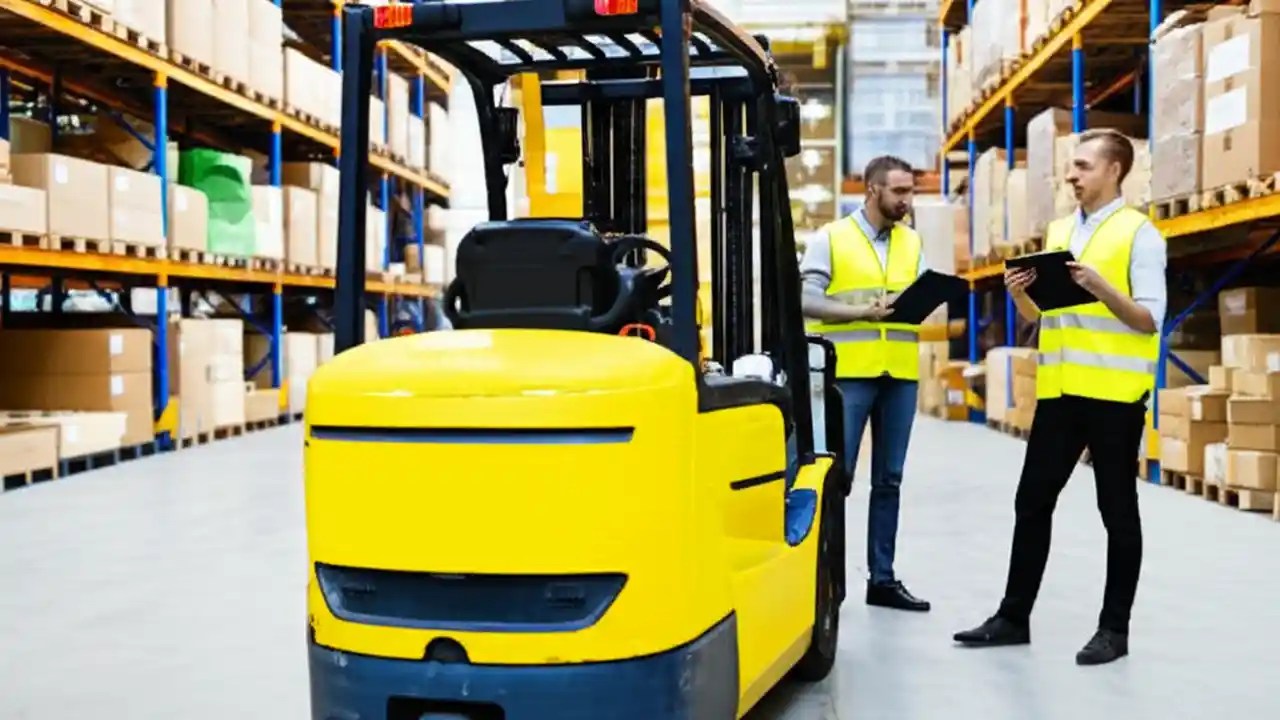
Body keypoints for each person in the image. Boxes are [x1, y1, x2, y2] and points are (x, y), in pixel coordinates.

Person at [953, 128, 1167, 665]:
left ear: (1114, 170)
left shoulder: (1140, 235)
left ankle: (1113, 630)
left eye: (1082, 166)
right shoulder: (1060, 230)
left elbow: (1147, 320)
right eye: (1072, 167)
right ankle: (1012, 617)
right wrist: (1022, 295)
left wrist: (1100, 286)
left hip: (1115, 398)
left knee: (1116, 511)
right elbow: (1041, 317)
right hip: (1061, 393)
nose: (1071, 175)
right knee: (1032, 502)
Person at [798, 155, 930, 612]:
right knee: (838, 478)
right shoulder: (831, 238)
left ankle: (883, 579)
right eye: (900, 192)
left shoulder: (912, 242)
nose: (907, 200)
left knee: (889, 480)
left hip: (899, 375)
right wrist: (862, 312)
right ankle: (826, 581)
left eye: (910, 191)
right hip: (849, 374)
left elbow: (918, 295)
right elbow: (805, 299)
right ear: (872, 191)